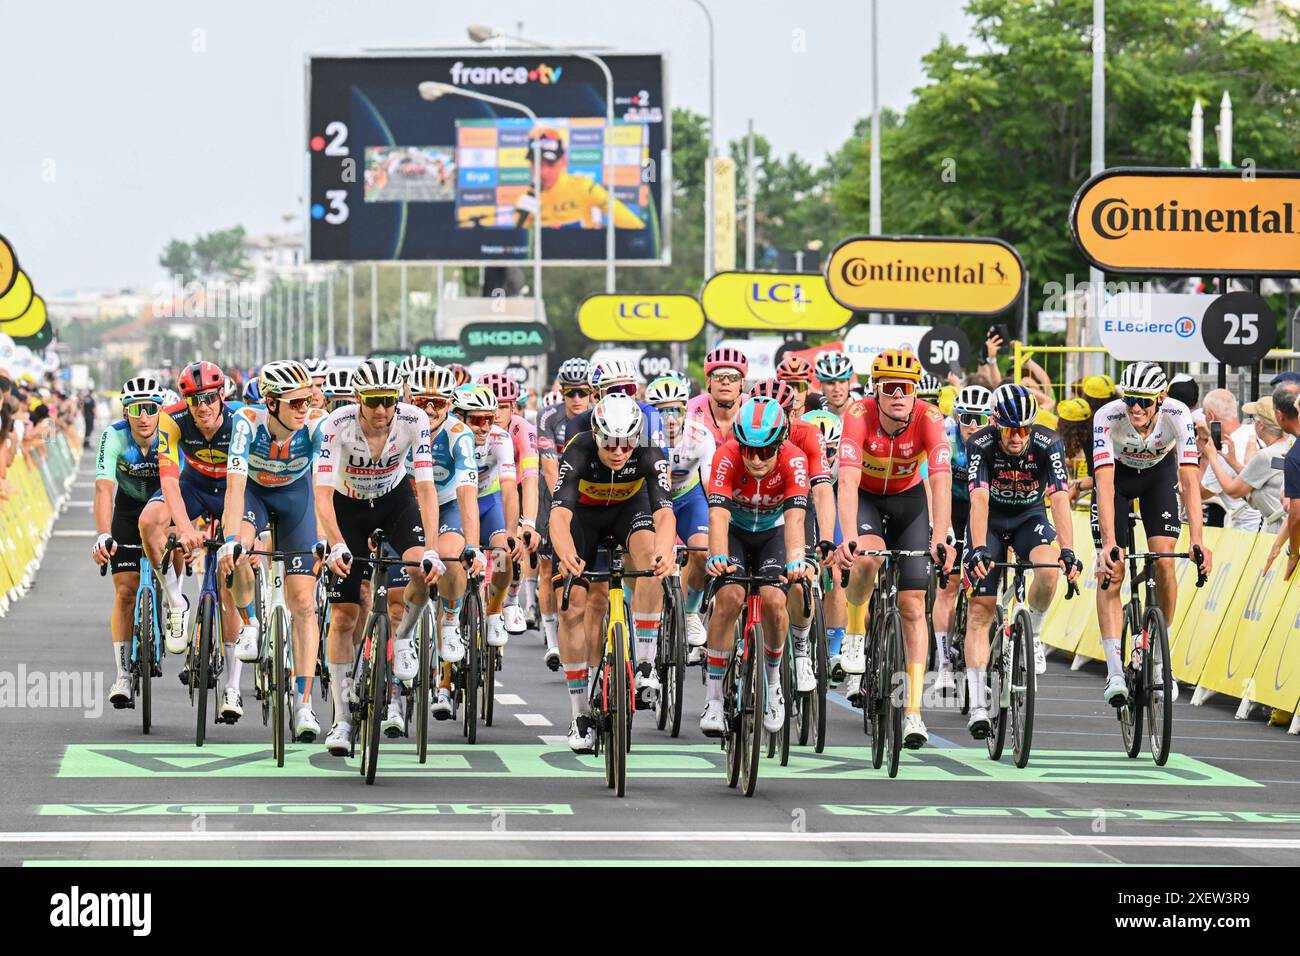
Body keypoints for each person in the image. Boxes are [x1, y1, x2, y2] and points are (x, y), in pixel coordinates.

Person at [312, 359, 446, 755]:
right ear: (358, 399)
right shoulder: (334, 425)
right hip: (347, 506)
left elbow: (426, 487)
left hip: (394, 501)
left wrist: (434, 549)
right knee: (345, 615)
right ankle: (340, 719)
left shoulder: (415, 420)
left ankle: (403, 641)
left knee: (420, 570)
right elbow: (321, 495)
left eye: (389, 399)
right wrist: (335, 542)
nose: (382, 410)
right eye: (373, 401)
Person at [833, 349, 954, 749]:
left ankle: (913, 712)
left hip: (908, 503)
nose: (900, 395)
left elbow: (939, 478)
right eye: (891, 388)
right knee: (865, 559)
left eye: (907, 388)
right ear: (877, 391)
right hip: (866, 498)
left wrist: (942, 534)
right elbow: (847, 481)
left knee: (914, 606)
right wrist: (848, 537)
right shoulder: (856, 415)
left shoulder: (929, 419)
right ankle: (854, 633)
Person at [549, 394, 676, 753]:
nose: (618, 451)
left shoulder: (651, 455)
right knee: (572, 603)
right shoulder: (578, 451)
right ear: (596, 434)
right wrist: (567, 554)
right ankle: (579, 714)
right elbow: (559, 516)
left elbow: (665, 514)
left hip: (628, 512)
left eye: (626, 442)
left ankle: (646, 663)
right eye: (609, 442)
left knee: (651, 560)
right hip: (584, 519)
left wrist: (665, 553)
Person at [218, 360, 328, 739]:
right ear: (271, 402)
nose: (304, 408)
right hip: (255, 495)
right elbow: (233, 488)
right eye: (294, 402)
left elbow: (327, 488)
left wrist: (332, 538)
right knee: (238, 549)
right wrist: (231, 540)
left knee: (303, 604)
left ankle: (304, 703)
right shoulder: (246, 423)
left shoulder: (316, 425)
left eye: (307, 400)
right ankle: (249, 620)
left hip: (298, 500)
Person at [964, 384, 1081, 735]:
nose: (1017, 437)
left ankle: (1036, 631)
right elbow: (980, 499)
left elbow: (1060, 499)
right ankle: (978, 705)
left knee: (1049, 571)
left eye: (1024, 429)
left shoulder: (1049, 443)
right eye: (1009, 429)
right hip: (991, 520)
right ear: (996, 423)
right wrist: (977, 548)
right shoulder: (980, 444)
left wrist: (1068, 549)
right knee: (980, 610)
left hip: (1029, 518)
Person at [1094, 361, 1212, 705]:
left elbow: (1189, 480)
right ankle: (1115, 670)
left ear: (1161, 398)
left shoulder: (1178, 415)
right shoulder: (1107, 416)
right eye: (1130, 398)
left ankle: (1162, 660)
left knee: (1164, 562)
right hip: (1116, 480)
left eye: (1144, 401)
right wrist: (1109, 544)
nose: (1135, 408)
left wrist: (1197, 540)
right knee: (1112, 572)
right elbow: (1102, 485)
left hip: (1156, 478)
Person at [138, 361, 245, 720]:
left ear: (222, 395)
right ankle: (176, 600)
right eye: (194, 400)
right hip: (194, 486)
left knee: (229, 583)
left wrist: (234, 536)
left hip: (232, 490)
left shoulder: (240, 421)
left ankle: (233, 686)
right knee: (150, 521)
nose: (203, 407)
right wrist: (184, 528)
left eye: (210, 398)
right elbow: (169, 482)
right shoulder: (170, 420)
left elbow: (239, 489)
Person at [702, 396, 811, 736]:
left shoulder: (794, 460)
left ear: (780, 444)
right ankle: (714, 698)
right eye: (748, 449)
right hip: (733, 532)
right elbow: (718, 515)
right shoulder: (727, 456)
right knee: (730, 598)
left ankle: (774, 681)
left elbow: (795, 519)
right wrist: (718, 556)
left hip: (772, 535)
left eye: (764, 451)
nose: (755, 458)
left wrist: (796, 559)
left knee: (775, 601)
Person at [405, 364, 483, 721]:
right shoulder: (399, 426)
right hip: (406, 505)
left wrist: (474, 546)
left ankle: (450, 619)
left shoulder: (459, 433)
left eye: (438, 402)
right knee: (403, 585)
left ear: (450, 403)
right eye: (423, 401)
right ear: (410, 400)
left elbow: (468, 495)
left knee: (451, 557)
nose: (430, 409)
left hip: (449, 503)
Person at [748, 378, 835, 695]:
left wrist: (824, 539)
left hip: (796, 508)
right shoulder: (745, 435)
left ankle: (801, 650)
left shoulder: (807, 434)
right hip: (755, 512)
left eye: (782, 412)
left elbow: (823, 490)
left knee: (801, 578)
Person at [91, 376, 165, 708]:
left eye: (151, 408)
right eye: (137, 409)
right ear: (126, 411)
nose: (144, 416)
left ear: (160, 410)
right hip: (127, 510)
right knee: (124, 591)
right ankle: (122, 674)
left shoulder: (171, 435)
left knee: (176, 549)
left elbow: (189, 484)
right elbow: (104, 489)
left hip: (166, 506)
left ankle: (174, 604)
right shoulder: (115, 435)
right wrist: (103, 534)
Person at [645, 375, 716, 655]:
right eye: (662, 411)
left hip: (688, 498)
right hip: (652, 500)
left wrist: (721, 518)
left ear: (686, 410)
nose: (670, 419)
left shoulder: (701, 436)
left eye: (676, 410)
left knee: (701, 552)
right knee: (646, 559)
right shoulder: (639, 436)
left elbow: (710, 484)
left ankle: (690, 613)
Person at [931, 383, 992, 693]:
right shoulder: (945, 435)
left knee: (985, 586)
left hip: (982, 505)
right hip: (950, 504)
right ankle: (942, 663)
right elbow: (933, 483)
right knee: (949, 585)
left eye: (979, 419)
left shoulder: (995, 440)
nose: (971, 425)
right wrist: (944, 531)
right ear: (956, 416)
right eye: (966, 417)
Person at [535, 358, 591, 670]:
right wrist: (564, 502)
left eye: (583, 392)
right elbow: (548, 467)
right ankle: (553, 640)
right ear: (563, 392)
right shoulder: (549, 418)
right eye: (571, 393)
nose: (577, 399)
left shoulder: (598, 418)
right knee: (548, 568)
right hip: (556, 492)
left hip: (590, 493)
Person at [479, 371, 539, 637]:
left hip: (512, 486)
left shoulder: (522, 430)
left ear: (513, 407)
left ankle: (512, 599)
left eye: (503, 405)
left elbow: (530, 480)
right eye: (493, 404)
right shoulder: (474, 426)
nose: (498, 412)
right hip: (481, 490)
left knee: (514, 544)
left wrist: (528, 524)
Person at [515, 127, 646, 230]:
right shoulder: (525, 201)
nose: (542, 172)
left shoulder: (584, 187)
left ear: (563, 161)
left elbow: (634, 225)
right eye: (536, 164)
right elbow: (521, 248)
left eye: (550, 164)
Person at [1199, 395, 1288, 535]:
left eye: (1253, 419)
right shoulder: (1287, 447)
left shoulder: (1264, 456)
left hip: (1274, 530)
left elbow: (1233, 491)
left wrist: (1212, 457)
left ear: (1261, 425)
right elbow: (1254, 478)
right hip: (1285, 525)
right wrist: (1233, 462)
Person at [1197, 389, 1261, 530]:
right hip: (1269, 524)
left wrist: (1204, 454)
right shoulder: (1255, 432)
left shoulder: (1224, 451)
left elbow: (1201, 493)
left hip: (1245, 531)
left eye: (1204, 415)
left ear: (1211, 416)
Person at [687, 346, 749, 445]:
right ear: (708, 381)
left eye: (733, 377)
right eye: (718, 376)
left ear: (742, 383)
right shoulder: (690, 410)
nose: (725, 382)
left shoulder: (754, 407)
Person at [1055, 397, 1095, 510]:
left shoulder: (1092, 443)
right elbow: (1095, 476)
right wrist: (1073, 483)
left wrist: (1076, 487)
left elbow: (1100, 478)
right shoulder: (1092, 435)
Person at [814, 351, 856, 419]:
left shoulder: (865, 413)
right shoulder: (814, 415)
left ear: (849, 384)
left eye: (842, 382)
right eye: (830, 383)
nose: (837, 389)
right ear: (821, 386)